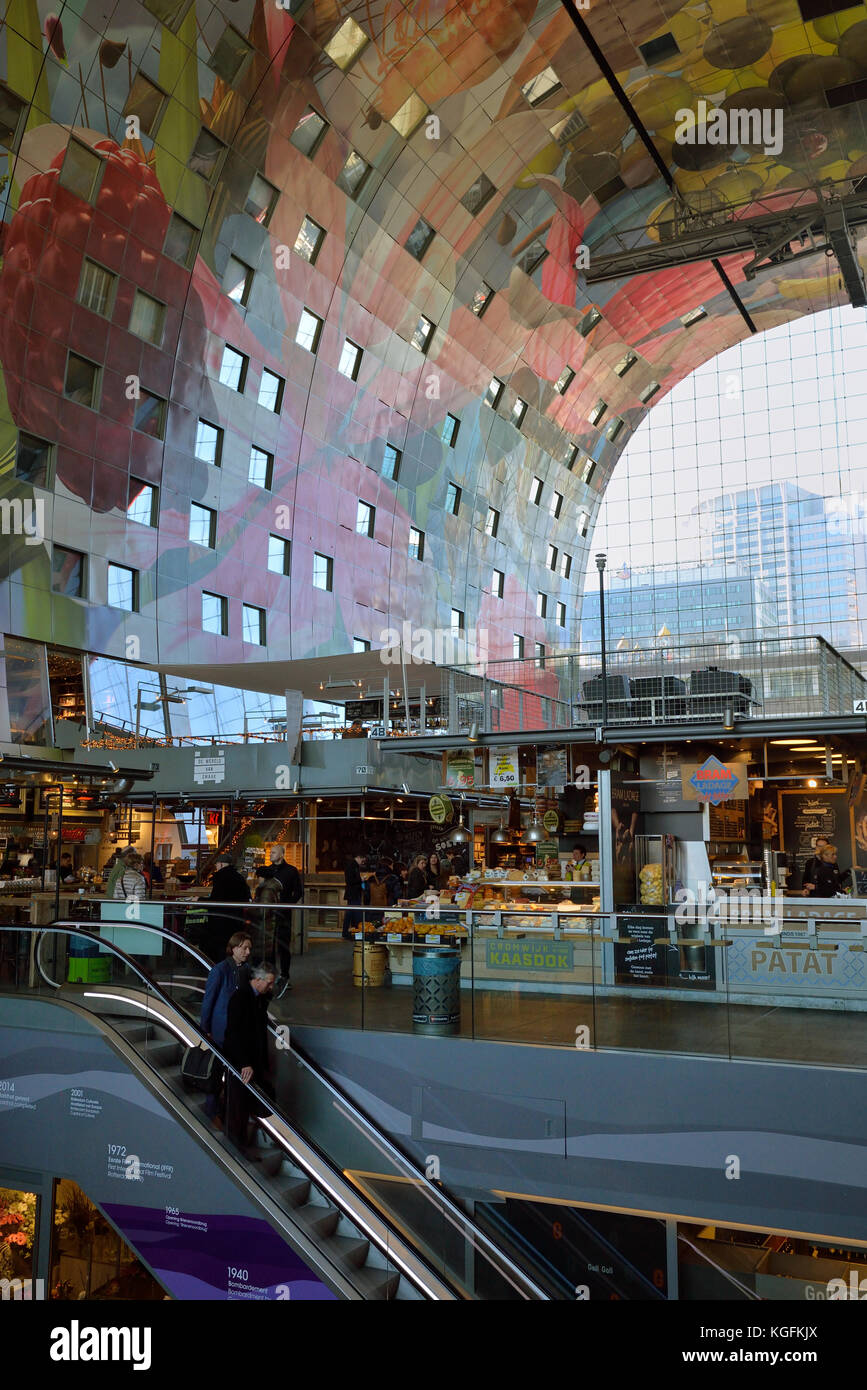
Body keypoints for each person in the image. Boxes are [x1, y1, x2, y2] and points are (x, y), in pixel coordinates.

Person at [222, 963, 276, 1154]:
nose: (271, 987)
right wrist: (244, 1062)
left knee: (246, 1104)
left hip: (252, 1061)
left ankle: (241, 1143)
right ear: (257, 979)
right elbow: (234, 1032)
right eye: (268, 983)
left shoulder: (258, 998)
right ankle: (235, 1146)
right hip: (241, 1062)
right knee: (238, 1105)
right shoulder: (241, 997)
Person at [199, 932, 252, 1122]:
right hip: (221, 1032)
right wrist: (205, 1028)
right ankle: (213, 1110)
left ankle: (227, 1113)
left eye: (249, 948)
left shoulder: (246, 970)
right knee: (216, 1071)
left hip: (237, 1032)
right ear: (234, 948)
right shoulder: (220, 970)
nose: (247, 952)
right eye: (244, 947)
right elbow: (209, 1001)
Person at [259, 846, 302, 995]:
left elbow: (298, 892)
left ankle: (285, 976)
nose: (271, 854)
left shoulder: (291, 871)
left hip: (283, 914)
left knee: (283, 945)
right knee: (269, 946)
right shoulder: (267, 871)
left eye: (274, 852)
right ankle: (271, 976)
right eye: (270, 852)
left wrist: (286, 905)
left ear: (282, 854)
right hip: (269, 914)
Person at [343, 852, 368, 939]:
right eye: (363, 859)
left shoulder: (353, 866)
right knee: (354, 913)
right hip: (353, 893)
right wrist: (361, 879)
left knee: (351, 913)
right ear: (358, 857)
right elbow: (350, 880)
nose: (363, 862)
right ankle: (352, 933)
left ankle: (351, 932)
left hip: (353, 893)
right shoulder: (352, 866)